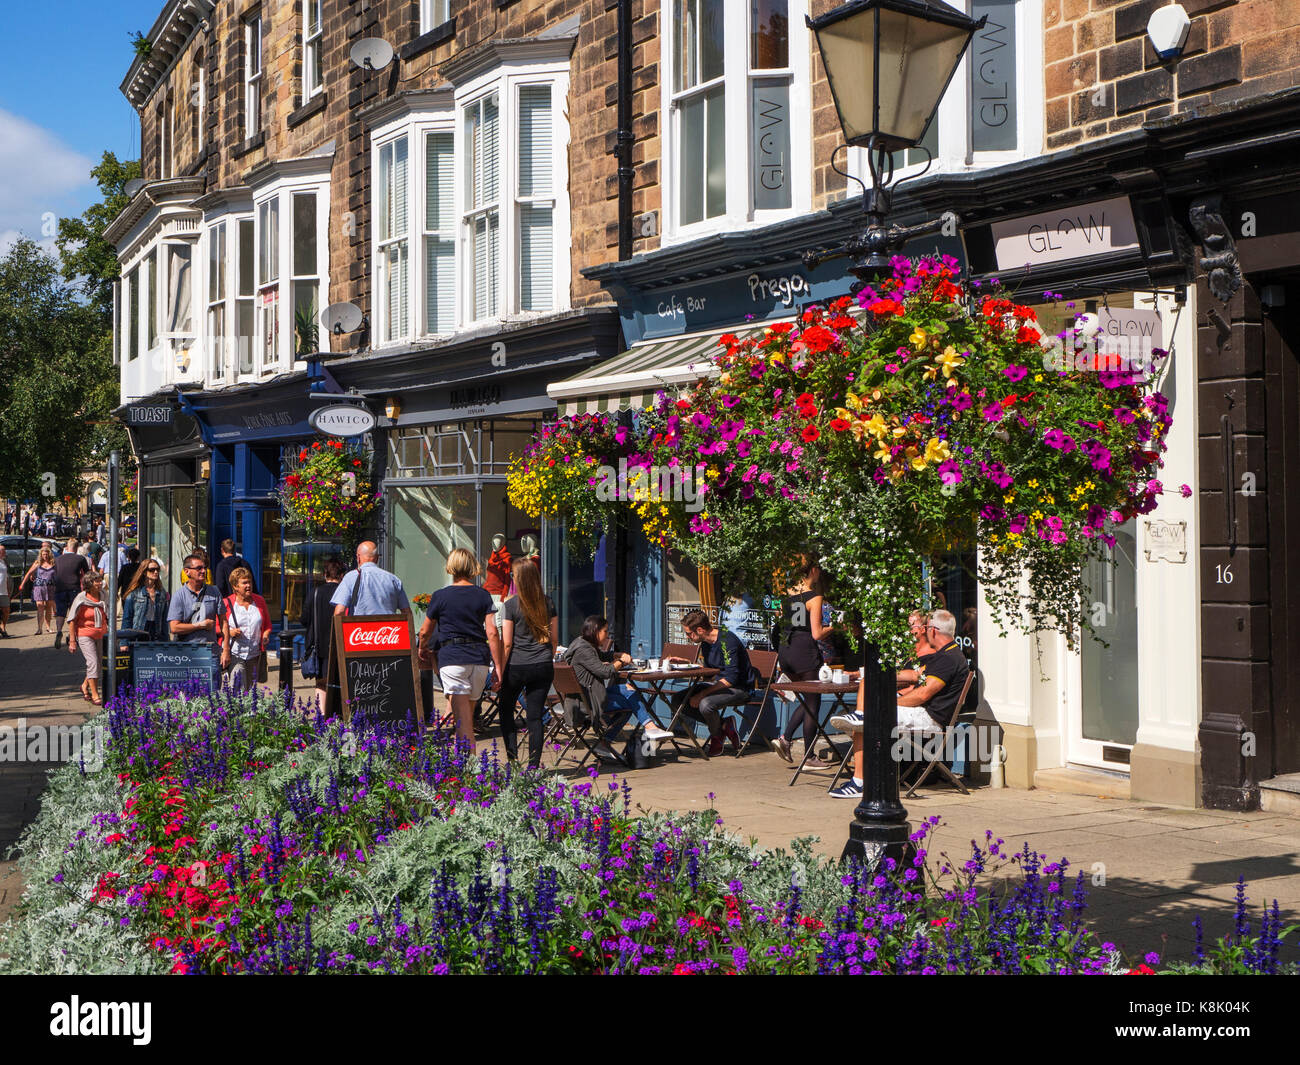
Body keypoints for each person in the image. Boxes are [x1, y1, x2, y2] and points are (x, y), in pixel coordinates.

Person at [829, 609, 971, 799]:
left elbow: (923, 694)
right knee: (863, 718)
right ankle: (862, 767)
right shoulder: (946, 654)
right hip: (924, 713)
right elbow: (915, 675)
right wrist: (874, 674)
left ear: (933, 630)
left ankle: (859, 783)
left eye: (926, 627)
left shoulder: (948, 658)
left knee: (866, 722)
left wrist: (888, 704)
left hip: (930, 718)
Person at [416, 548, 504, 749]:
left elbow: (424, 631)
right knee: (464, 719)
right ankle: (460, 761)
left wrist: (423, 649)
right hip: (479, 661)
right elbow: (492, 632)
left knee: (463, 722)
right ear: (472, 566)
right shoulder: (482, 595)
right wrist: (497, 667)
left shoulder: (440, 596)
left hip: (453, 659)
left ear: (451, 567)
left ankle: (471, 769)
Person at [563, 616, 674, 760]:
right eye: (605, 631)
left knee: (628, 689)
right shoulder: (584, 650)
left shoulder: (580, 643)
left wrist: (615, 655)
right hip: (588, 703)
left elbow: (600, 655)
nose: (607, 635)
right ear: (595, 631)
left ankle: (647, 727)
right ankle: (647, 728)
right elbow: (605, 672)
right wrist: (621, 661)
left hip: (587, 695)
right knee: (629, 703)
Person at [496, 558, 559, 765]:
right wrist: (546, 657)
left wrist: (499, 671)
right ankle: (533, 767)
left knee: (505, 710)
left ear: (518, 579)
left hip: (516, 665)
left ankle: (513, 761)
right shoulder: (548, 602)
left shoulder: (511, 605)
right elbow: (554, 639)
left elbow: (506, 644)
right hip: (542, 665)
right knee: (535, 717)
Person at [772, 557, 833, 767]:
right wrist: (836, 626)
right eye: (819, 571)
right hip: (804, 651)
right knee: (813, 703)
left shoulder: (786, 594)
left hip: (786, 651)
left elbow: (780, 622)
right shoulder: (814, 598)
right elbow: (817, 634)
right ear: (814, 570)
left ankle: (785, 738)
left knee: (807, 700)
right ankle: (808, 755)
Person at [665, 609, 749, 757]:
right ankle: (723, 725)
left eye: (689, 634)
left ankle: (716, 736)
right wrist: (688, 663)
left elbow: (730, 678)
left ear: (700, 630)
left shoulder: (726, 641)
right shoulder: (706, 642)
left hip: (739, 688)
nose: (688, 637)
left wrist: (702, 694)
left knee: (705, 704)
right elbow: (711, 670)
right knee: (678, 700)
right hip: (718, 684)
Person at [301, 556, 344, 714]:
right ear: (341, 576)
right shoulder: (345, 593)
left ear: (325, 574)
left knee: (321, 684)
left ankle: (322, 719)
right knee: (341, 682)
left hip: (318, 646)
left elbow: (304, 619)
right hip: (339, 645)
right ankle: (339, 716)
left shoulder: (315, 592)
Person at [221, 567, 270, 694]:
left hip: (254, 654)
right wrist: (230, 633)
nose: (248, 585)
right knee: (236, 689)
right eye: (244, 583)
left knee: (251, 691)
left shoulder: (259, 601)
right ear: (235, 586)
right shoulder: (227, 603)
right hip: (235, 654)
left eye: (250, 582)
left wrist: (265, 635)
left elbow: (267, 625)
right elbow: (217, 626)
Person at [331, 541, 410, 618]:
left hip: (360, 629)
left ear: (358, 557)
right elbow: (407, 612)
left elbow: (339, 612)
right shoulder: (393, 579)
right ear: (377, 558)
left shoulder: (351, 577)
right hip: (388, 629)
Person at [68, 572, 108, 705]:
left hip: (101, 634)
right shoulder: (81, 598)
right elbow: (72, 620)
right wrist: (72, 641)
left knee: (98, 664)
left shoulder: (103, 595)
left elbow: (108, 613)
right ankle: (96, 694)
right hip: (85, 634)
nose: (100, 583)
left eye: (100, 580)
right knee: (93, 663)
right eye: (96, 581)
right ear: (89, 584)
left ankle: (84, 685)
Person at [167, 553, 222, 645]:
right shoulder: (179, 595)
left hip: (210, 652)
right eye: (199, 568)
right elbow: (174, 628)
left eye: (204, 568)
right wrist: (200, 625)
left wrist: (226, 649)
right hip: (186, 652)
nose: (203, 571)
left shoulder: (214, 591)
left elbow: (223, 621)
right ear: (187, 571)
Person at [51, 538, 90, 649]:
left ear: (67, 547)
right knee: (74, 613)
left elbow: (55, 574)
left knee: (60, 612)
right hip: (74, 587)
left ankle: (59, 630)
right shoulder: (80, 558)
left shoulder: (57, 559)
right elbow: (87, 574)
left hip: (60, 588)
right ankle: (71, 634)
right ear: (77, 548)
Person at [121, 557, 171, 641]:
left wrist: (166, 639)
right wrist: (124, 642)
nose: (155, 572)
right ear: (144, 572)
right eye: (152, 570)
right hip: (139, 632)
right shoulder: (135, 593)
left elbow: (164, 619)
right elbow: (127, 618)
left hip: (156, 632)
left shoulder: (161, 593)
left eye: (157, 569)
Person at [19, 543, 58, 635]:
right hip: (39, 587)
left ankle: (48, 626)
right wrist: (22, 584)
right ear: (41, 555)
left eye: (46, 554)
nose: (45, 556)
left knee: (48, 607)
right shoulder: (37, 563)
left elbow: (59, 575)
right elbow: (28, 573)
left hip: (50, 587)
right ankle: (39, 628)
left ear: (49, 554)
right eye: (43, 554)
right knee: (40, 606)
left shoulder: (54, 563)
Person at [0, 546, 10, 638]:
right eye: (3, 551)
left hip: (4, 591)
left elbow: (6, 577)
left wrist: (8, 589)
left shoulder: (3, 562)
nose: (5, 552)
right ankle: (2, 629)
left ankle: (3, 626)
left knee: (6, 610)